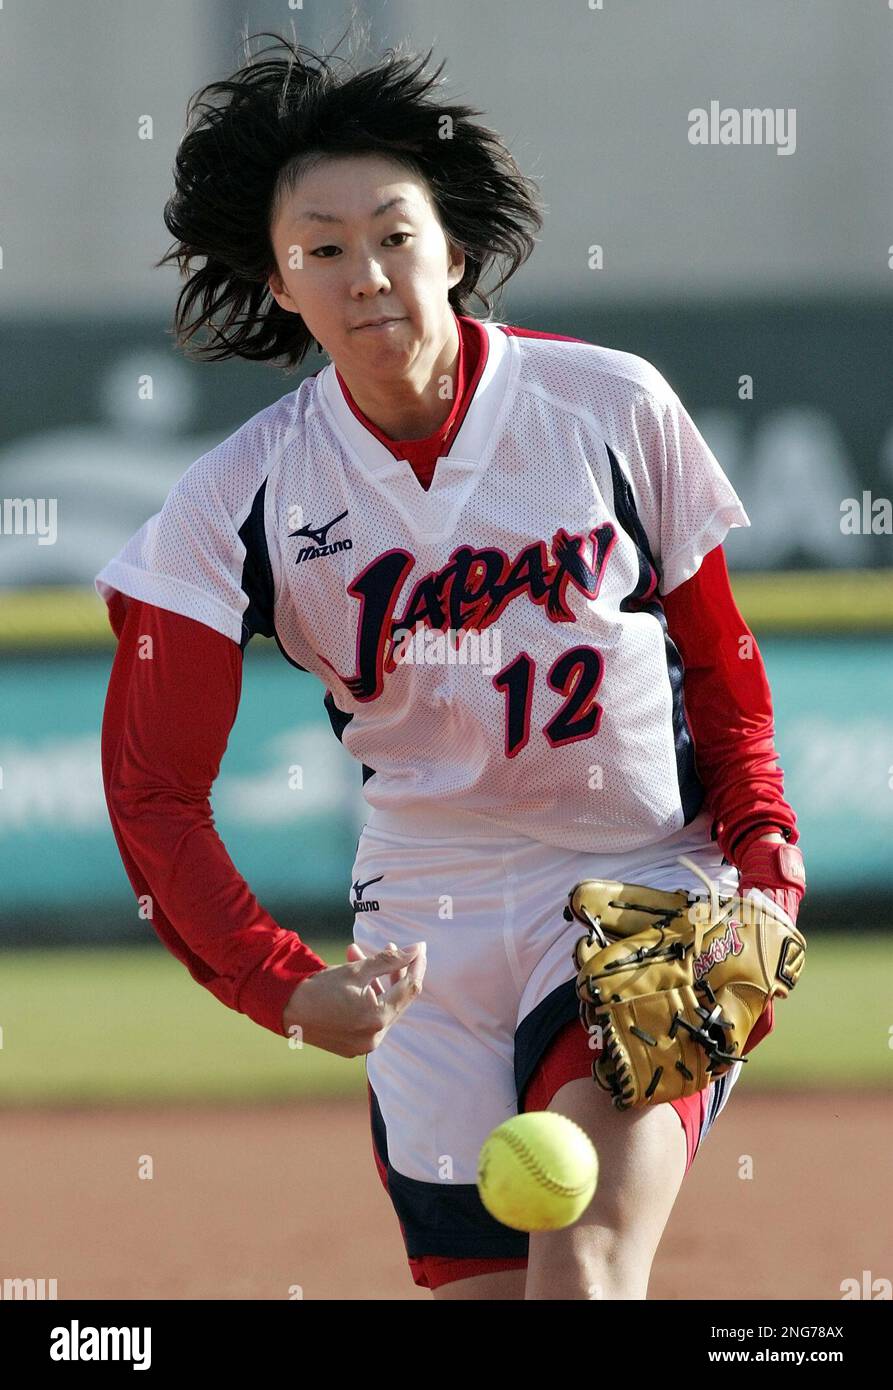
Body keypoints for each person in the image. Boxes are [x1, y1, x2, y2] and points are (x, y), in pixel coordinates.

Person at [96, 34, 806, 1301]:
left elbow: (720, 671)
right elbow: (153, 794)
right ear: (281, 282)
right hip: (420, 926)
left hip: (635, 883)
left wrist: (760, 863)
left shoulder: (606, 407)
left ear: (453, 249)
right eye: (322, 248)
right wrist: (283, 985)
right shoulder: (234, 502)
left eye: (393, 233)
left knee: (583, 1267)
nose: (364, 273)